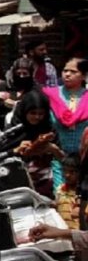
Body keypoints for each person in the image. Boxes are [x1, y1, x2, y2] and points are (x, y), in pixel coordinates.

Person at [0, 90, 63, 197]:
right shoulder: (14, 130)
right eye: (33, 113)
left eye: (41, 114)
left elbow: (63, 159)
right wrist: (17, 149)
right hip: (16, 183)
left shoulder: (49, 130)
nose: (37, 117)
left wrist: (53, 149)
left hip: (46, 184)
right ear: (24, 111)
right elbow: (0, 156)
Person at [43, 57, 88, 188]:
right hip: (59, 157)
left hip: (84, 159)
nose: (67, 74)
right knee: (62, 199)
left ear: (84, 76)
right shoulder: (51, 96)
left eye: (73, 72)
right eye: (65, 70)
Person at [56, 154, 81, 229]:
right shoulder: (60, 189)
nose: (67, 175)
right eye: (64, 170)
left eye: (72, 172)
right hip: (63, 233)